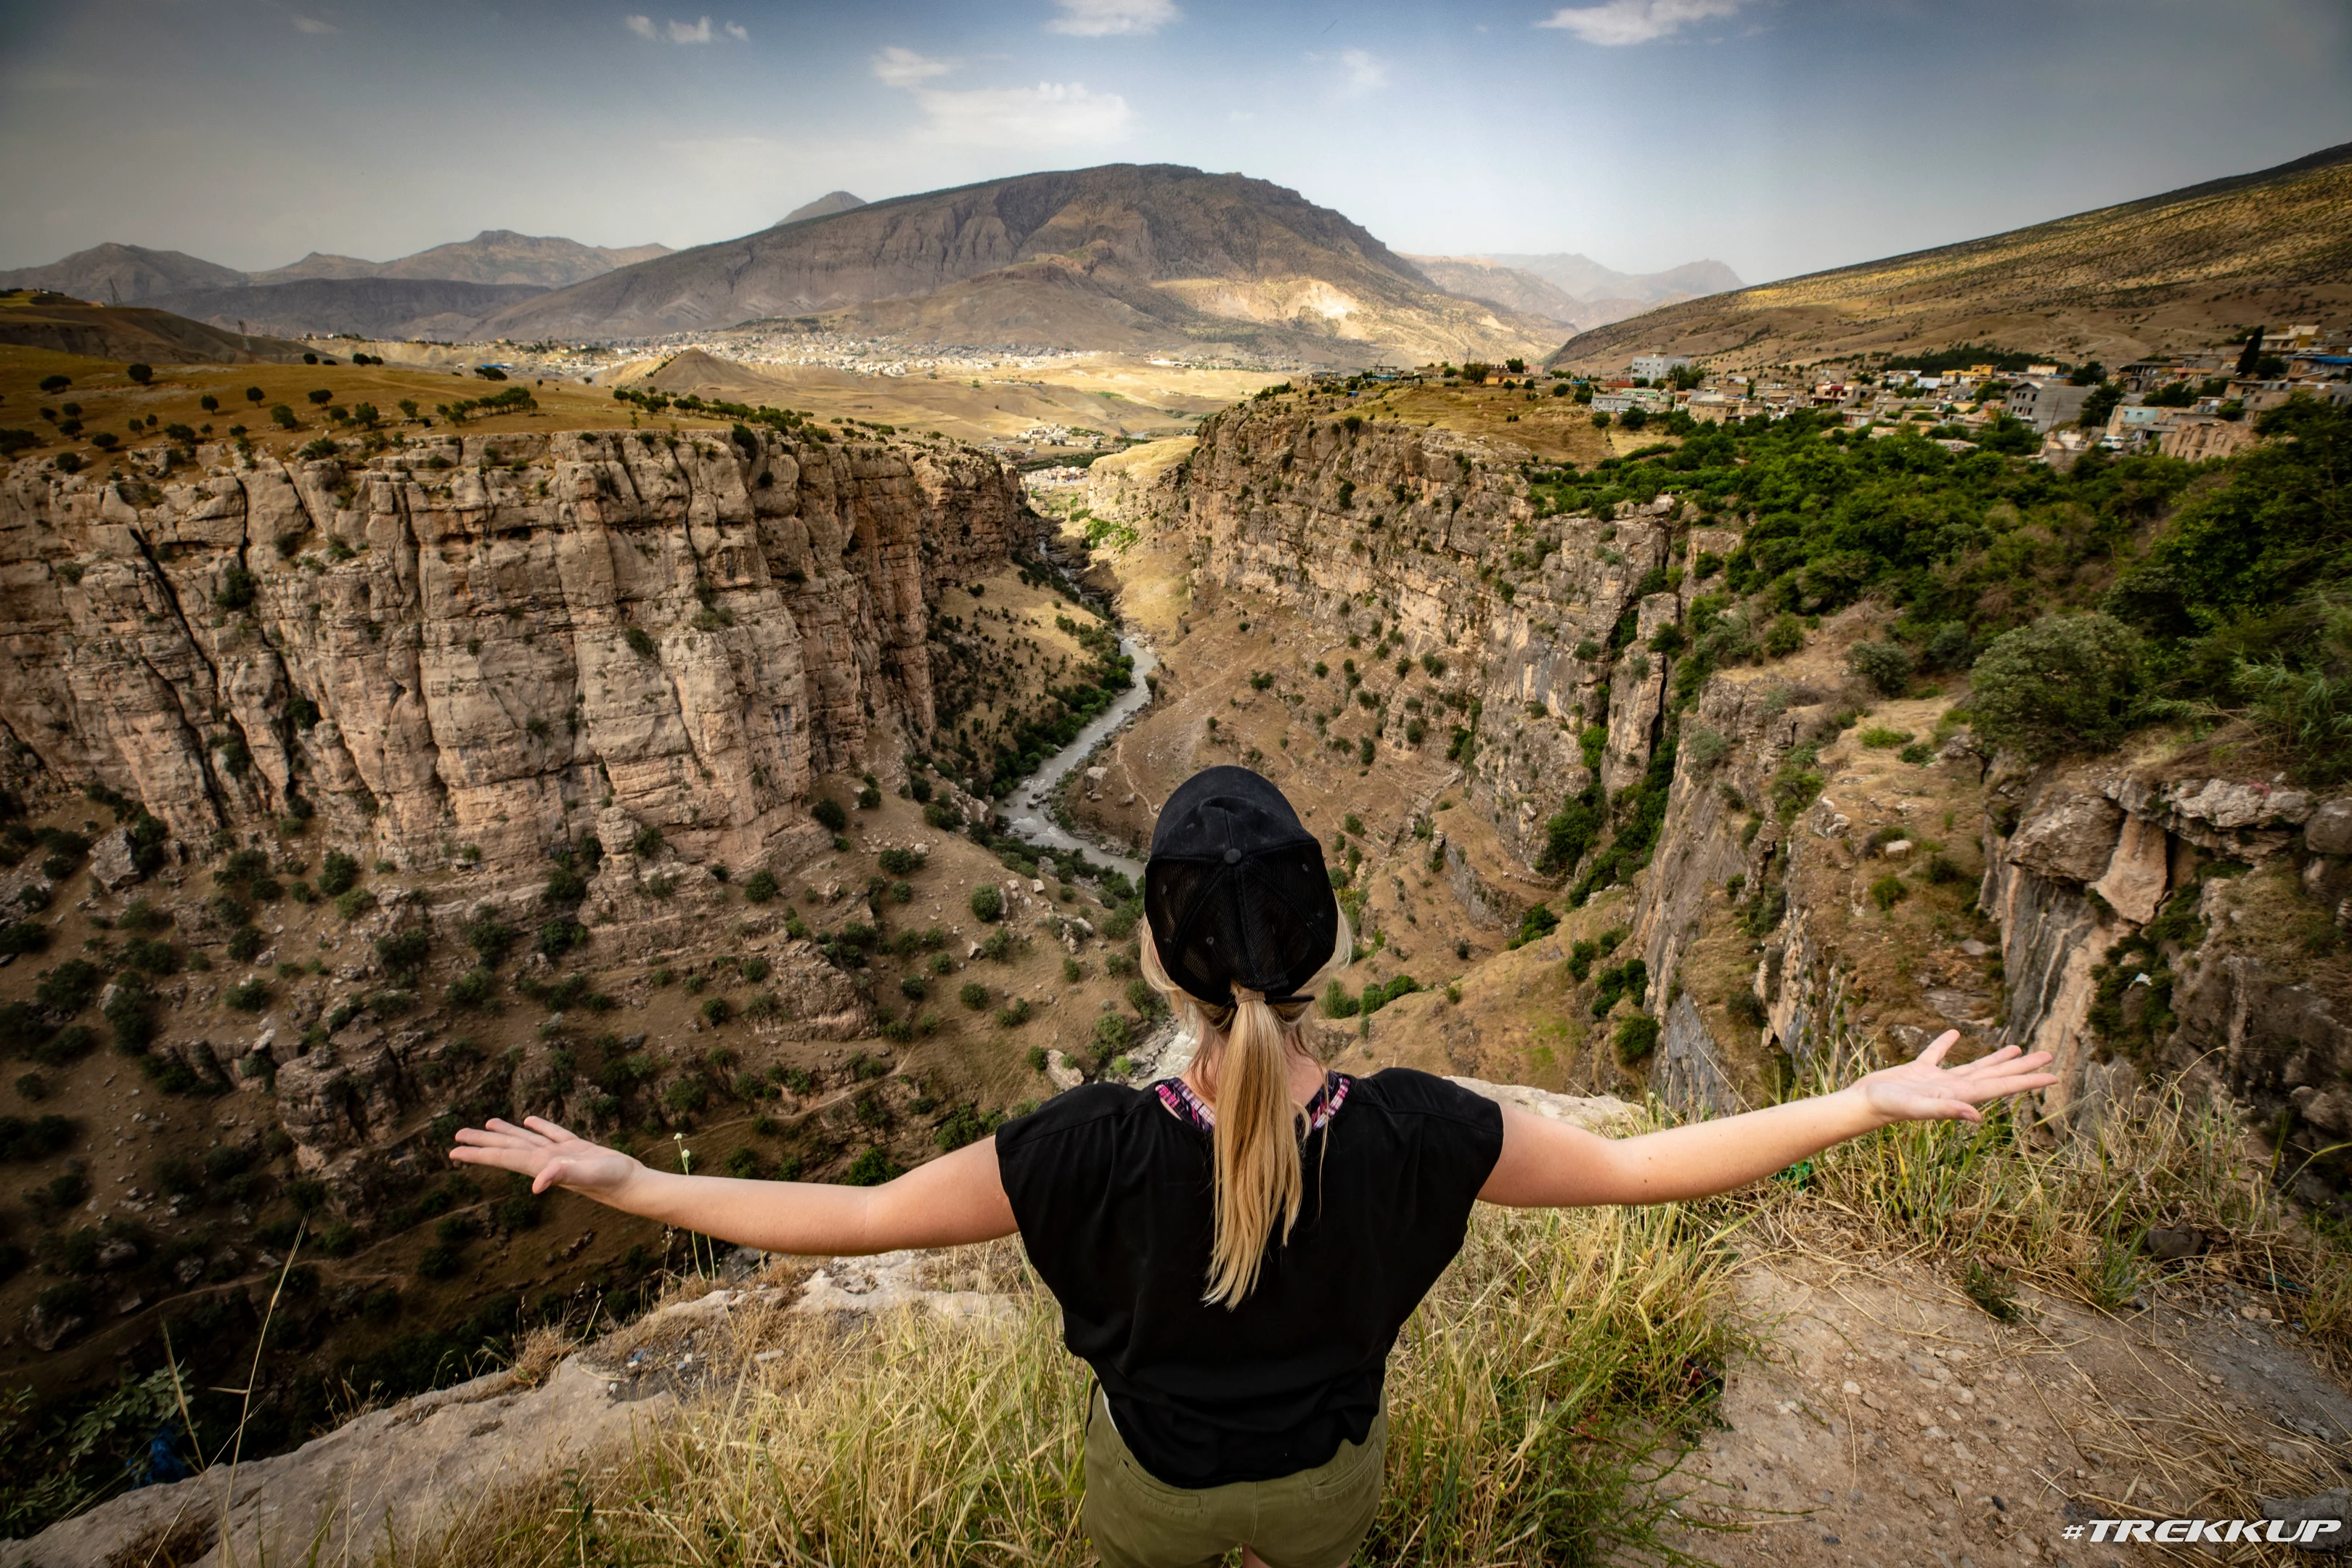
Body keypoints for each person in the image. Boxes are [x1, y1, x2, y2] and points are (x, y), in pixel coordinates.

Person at [451, 765, 2055, 1568]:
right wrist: (1856, 1101)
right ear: (1316, 953)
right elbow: (1651, 1172)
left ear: (1159, 957)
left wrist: (628, 1178)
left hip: (1151, 1492)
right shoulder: (1425, 1131)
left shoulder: (1082, 1150)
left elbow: (855, 1220)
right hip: (1331, 1483)